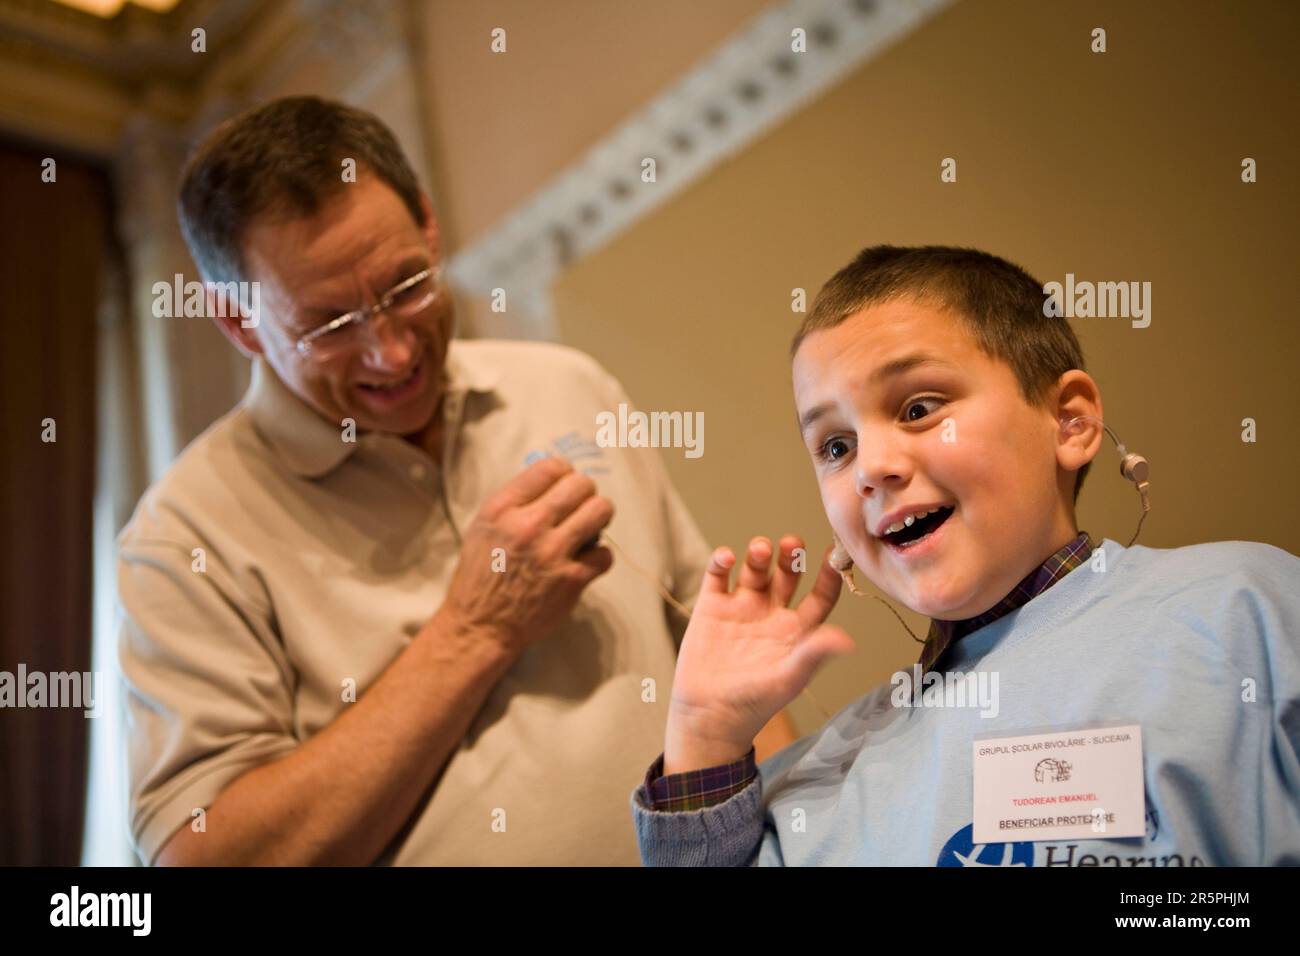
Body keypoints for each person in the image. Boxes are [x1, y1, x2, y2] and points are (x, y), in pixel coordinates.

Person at [117, 95, 794, 866]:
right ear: (237, 323)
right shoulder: (180, 535)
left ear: (430, 225)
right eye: (331, 325)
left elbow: (713, 668)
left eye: (407, 286)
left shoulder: (571, 387)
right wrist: (475, 630)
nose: (392, 353)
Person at [630, 245, 1300, 866]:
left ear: (1071, 422)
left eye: (919, 407)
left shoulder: (1243, 610)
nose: (873, 467)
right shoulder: (825, 774)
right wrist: (705, 736)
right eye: (836, 447)